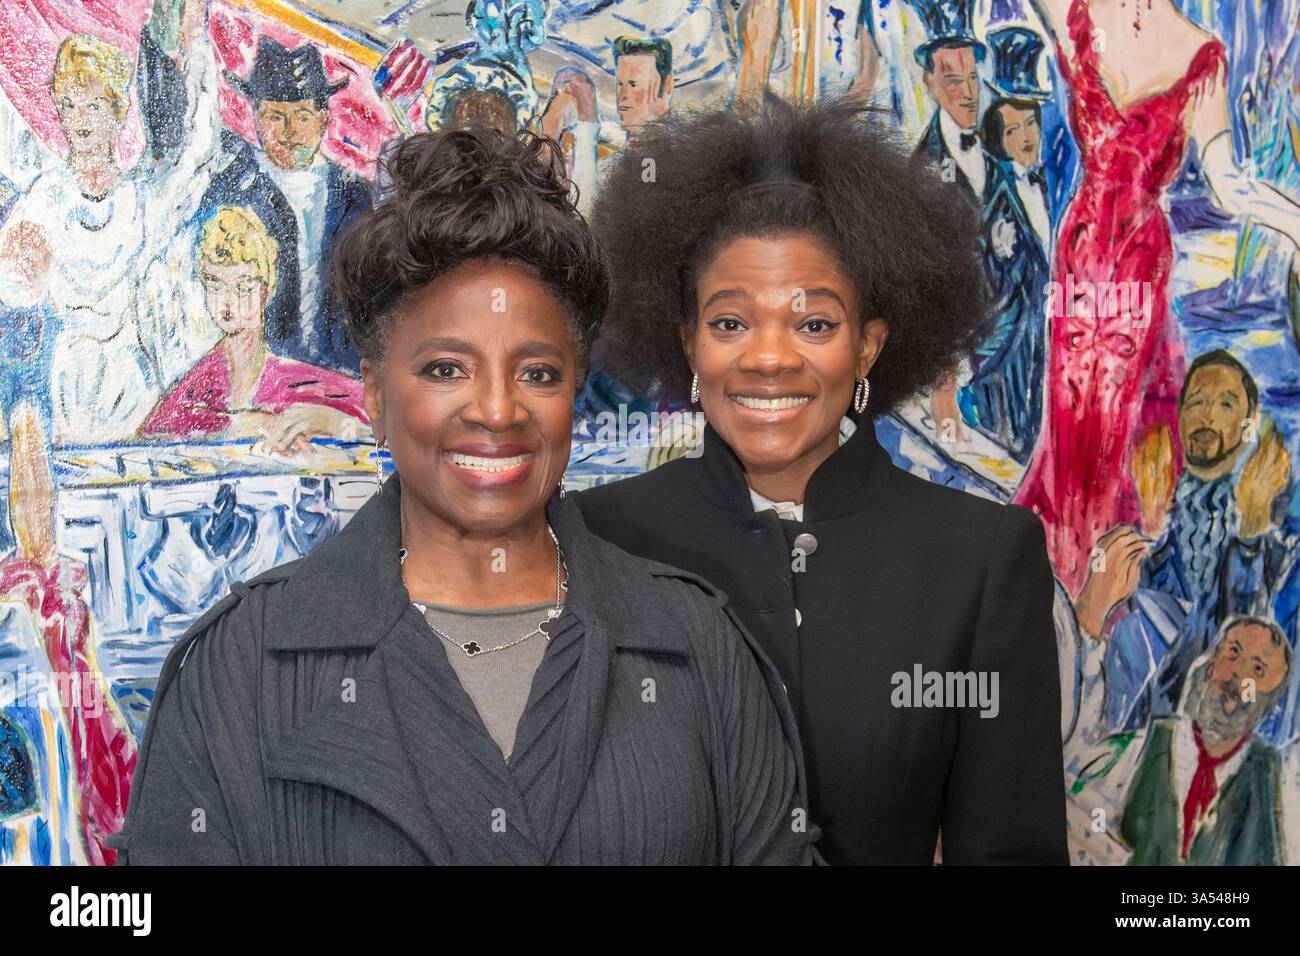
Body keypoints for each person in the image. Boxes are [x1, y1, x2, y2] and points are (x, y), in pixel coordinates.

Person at [110, 126, 813, 865]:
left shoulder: (696, 646)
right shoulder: (242, 668)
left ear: (575, 390)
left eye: (538, 373)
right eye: (447, 370)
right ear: (375, 398)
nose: (498, 411)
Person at [575, 97, 1067, 865]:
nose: (768, 358)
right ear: (688, 344)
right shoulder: (593, 537)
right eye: (731, 323)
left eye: (814, 324)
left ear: (868, 347)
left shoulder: (981, 560)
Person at [1020, 0, 1300, 595]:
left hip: (1137, 262)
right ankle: (1053, 567)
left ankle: (1095, 577)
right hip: (1079, 253)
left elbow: (1229, 185)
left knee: (1114, 415)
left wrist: (1297, 225)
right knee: (1069, 411)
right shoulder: (1073, 12)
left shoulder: (1202, 58)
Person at [197, 37, 372, 375]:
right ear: (255, 118)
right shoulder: (235, 186)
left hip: (341, 370)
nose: (290, 131)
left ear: (323, 120)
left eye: (302, 116)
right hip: (263, 370)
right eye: (276, 116)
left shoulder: (353, 193)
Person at [137, 205, 369, 450]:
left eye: (243, 287)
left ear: (264, 291)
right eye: (215, 286)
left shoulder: (295, 380)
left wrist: (329, 420)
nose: (227, 301)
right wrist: (243, 424)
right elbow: (151, 435)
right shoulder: (199, 384)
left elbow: (382, 416)